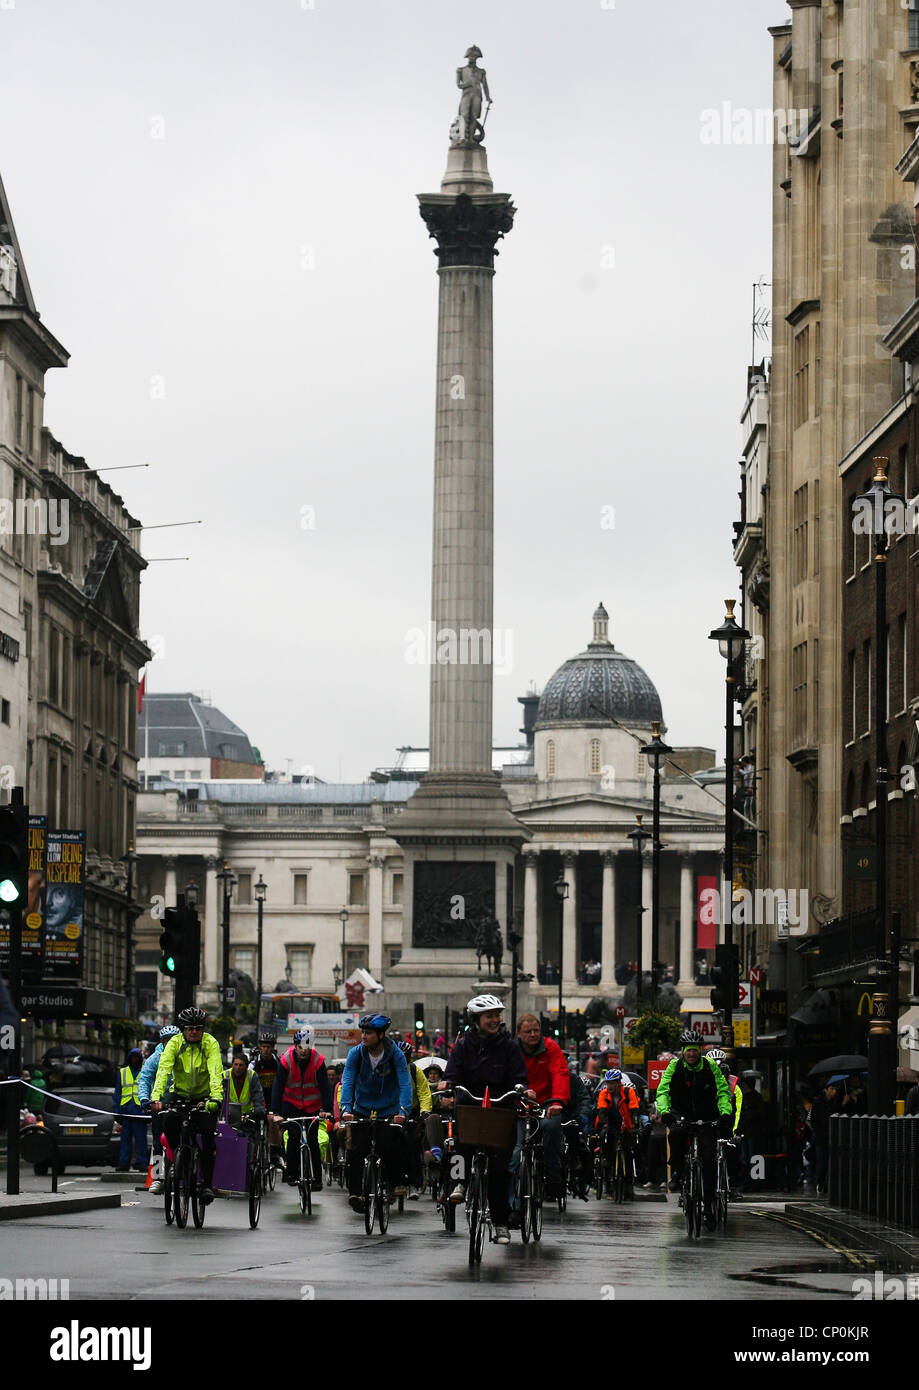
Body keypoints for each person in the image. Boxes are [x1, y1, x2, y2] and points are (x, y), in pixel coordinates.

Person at [441, 994, 527, 1246]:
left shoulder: (509, 1046)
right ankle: (459, 1183)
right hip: (470, 1105)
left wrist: (522, 1088)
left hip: (500, 1109)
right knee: (459, 1145)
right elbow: (452, 1071)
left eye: (497, 1015)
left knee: (499, 1170)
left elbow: (519, 1075)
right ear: (476, 1020)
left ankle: (500, 1224)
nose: (495, 1020)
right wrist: (448, 1086)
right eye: (489, 1016)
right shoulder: (463, 1044)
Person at [656, 1030, 732, 1230]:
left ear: (700, 1051)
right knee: (677, 1135)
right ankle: (678, 1173)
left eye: (695, 1050)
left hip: (706, 1117)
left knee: (708, 1159)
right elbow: (662, 1091)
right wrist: (665, 1112)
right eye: (688, 1050)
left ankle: (708, 1208)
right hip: (681, 1114)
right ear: (683, 1052)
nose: (692, 1054)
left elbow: (723, 1092)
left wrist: (725, 1113)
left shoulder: (710, 1068)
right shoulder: (674, 1067)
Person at [151, 1007, 225, 1204]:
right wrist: (156, 1097)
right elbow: (163, 1070)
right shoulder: (174, 1043)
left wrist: (215, 1098)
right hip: (180, 1094)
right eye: (190, 1028)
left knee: (208, 1140)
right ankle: (177, 1159)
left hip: (204, 1096)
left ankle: (207, 1186)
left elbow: (215, 1071)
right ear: (183, 1029)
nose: (194, 1032)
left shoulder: (210, 1043)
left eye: (198, 1028)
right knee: (169, 1121)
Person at [340, 1014, 412, 1213]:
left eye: (368, 1033)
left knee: (389, 1145)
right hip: (361, 1108)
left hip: (388, 1109)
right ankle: (355, 1192)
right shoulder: (356, 1053)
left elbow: (405, 1083)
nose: (363, 1036)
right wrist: (346, 1109)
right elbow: (347, 1081)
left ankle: (396, 1183)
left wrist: (403, 1111)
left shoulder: (395, 1054)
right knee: (356, 1150)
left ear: (381, 1035)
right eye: (362, 1032)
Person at [513, 1012, 570, 1200]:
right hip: (520, 1103)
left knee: (552, 1126)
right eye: (528, 1031)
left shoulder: (551, 1048)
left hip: (545, 1104)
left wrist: (558, 1101)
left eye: (536, 1030)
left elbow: (560, 1073)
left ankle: (553, 1170)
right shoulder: (511, 1050)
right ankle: (513, 1202)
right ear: (519, 1034)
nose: (533, 1034)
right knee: (516, 1150)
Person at [270, 1026, 333, 1191]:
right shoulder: (286, 1060)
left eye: (306, 1047)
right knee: (293, 1136)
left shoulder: (318, 1061)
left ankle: (317, 1180)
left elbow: (325, 1088)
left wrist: (326, 1109)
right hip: (290, 1105)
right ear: (295, 1046)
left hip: (312, 1106)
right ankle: (290, 1173)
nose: (303, 1051)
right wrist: (276, 1112)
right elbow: (278, 1087)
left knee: (313, 1141)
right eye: (300, 1047)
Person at [138, 1024, 180, 1194]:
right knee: (157, 1143)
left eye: (172, 1040)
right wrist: (145, 1099)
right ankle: (157, 1178)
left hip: (179, 1102)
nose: (169, 1043)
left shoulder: (184, 1055)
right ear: (162, 1042)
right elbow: (145, 1078)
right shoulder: (155, 1058)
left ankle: (182, 1169)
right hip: (160, 1105)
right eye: (166, 1040)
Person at [397, 1039, 433, 1191]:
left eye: (408, 1055)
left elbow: (424, 1093)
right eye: (403, 1055)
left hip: (411, 1111)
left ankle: (415, 1180)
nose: (406, 1058)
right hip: (392, 1111)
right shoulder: (389, 1069)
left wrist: (425, 1111)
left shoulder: (414, 1070)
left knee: (413, 1143)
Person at [595, 1070, 640, 1192]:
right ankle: (607, 1175)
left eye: (612, 1083)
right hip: (610, 1123)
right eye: (607, 1083)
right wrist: (604, 1125)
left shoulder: (628, 1091)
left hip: (626, 1124)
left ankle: (629, 1183)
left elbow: (634, 1109)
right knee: (606, 1142)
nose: (609, 1086)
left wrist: (635, 1125)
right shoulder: (604, 1093)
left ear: (619, 1083)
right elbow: (602, 1110)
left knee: (629, 1152)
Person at [249, 1031, 283, 1167]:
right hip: (257, 1098)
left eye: (269, 1047)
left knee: (273, 1122)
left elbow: (282, 1084)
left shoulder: (278, 1063)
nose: (266, 1050)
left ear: (273, 1048)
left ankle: (275, 1152)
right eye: (263, 1046)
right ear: (260, 1047)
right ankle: (255, 1155)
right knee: (256, 1129)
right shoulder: (254, 1064)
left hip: (272, 1099)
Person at [114, 1048, 149, 1173]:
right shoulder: (123, 1072)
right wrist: (116, 1111)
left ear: (140, 1059)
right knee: (125, 1141)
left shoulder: (145, 1072)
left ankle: (142, 1163)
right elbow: (117, 1093)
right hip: (126, 1111)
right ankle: (123, 1163)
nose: (134, 1059)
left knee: (141, 1141)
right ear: (129, 1058)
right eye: (132, 1057)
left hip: (140, 1112)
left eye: (136, 1057)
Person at [224, 1052, 266, 1128]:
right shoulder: (224, 1075)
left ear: (246, 1066)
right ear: (232, 1065)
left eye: (241, 1065)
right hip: (228, 1116)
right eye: (235, 1064)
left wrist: (259, 1111)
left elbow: (258, 1096)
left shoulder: (252, 1076)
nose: (237, 1068)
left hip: (248, 1117)